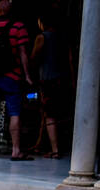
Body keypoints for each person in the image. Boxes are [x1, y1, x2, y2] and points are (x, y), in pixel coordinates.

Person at [0, 0, 34, 160]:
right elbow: (23, 53)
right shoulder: (18, 27)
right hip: (12, 76)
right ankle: (16, 150)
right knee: (15, 113)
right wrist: (27, 75)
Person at [31, 14, 72, 158]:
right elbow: (70, 59)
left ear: (42, 22)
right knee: (49, 114)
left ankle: (55, 150)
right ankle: (40, 144)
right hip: (62, 81)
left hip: (48, 82)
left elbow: (34, 58)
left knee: (50, 115)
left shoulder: (42, 38)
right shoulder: (62, 38)